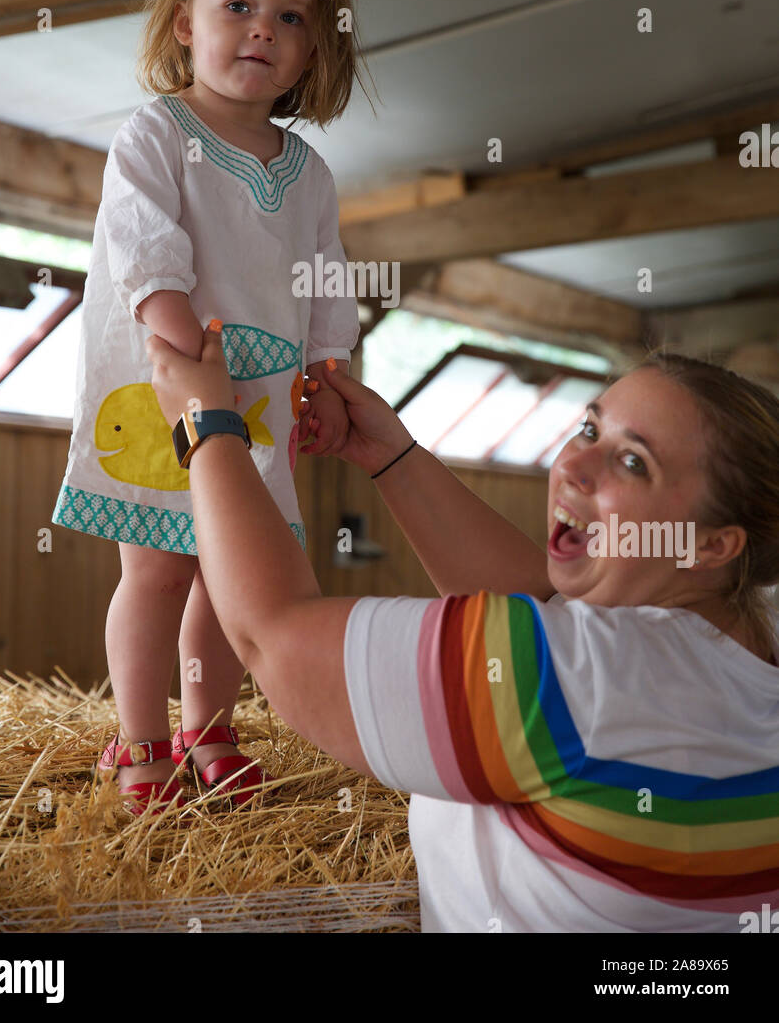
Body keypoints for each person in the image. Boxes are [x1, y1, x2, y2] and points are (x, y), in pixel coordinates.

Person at [145, 324, 779, 932]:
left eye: (634, 462)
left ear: (715, 544)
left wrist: (207, 424)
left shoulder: (582, 681)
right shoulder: (751, 622)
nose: (576, 465)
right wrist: (389, 455)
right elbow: (540, 600)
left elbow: (273, 633)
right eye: (589, 427)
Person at [52, 0, 373, 812]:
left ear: (313, 53)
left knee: (234, 574)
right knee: (156, 569)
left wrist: (327, 374)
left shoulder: (307, 174)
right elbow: (144, 246)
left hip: (263, 400)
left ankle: (208, 728)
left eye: (291, 17)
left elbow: (324, 281)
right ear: (183, 22)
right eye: (237, 6)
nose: (262, 30)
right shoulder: (157, 136)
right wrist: (184, 347)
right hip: (165, 388)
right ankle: (140, 740)